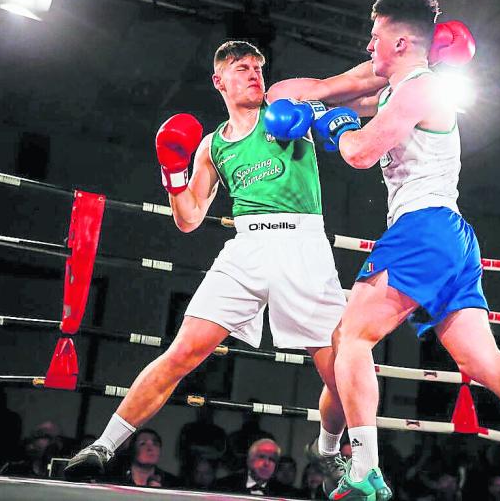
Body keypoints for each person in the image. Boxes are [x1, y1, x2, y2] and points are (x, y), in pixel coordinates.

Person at [267, 0, 500, 501]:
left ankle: (362, 469)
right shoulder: (394, 89)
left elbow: (361, 153)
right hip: (448, 236)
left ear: (402, 41)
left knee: (351, 340)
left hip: (422, 229)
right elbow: (307, 89)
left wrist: (328, 125)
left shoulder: (420, 90)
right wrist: (289, 105)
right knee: (482, 362)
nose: (369, 44)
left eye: (376, 35)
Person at [63, 40, 385, 484]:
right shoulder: (213, 146)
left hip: (303, 246)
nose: (255, 73)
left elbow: (352, 85)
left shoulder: (287, 98)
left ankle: (327, 448)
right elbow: (189, 218)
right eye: (242, 67)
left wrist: (405, 71)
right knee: (181, 354)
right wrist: (173, 175)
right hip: (245, 249)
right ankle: (102, 447)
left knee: (342, 374)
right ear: (220, 81)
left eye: (258, 66)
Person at [215, 438, 298, 497]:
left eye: (272, 459)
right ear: (249, 460)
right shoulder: (223, 486)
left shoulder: (286, 493)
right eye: (262, 457)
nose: (266, 463)